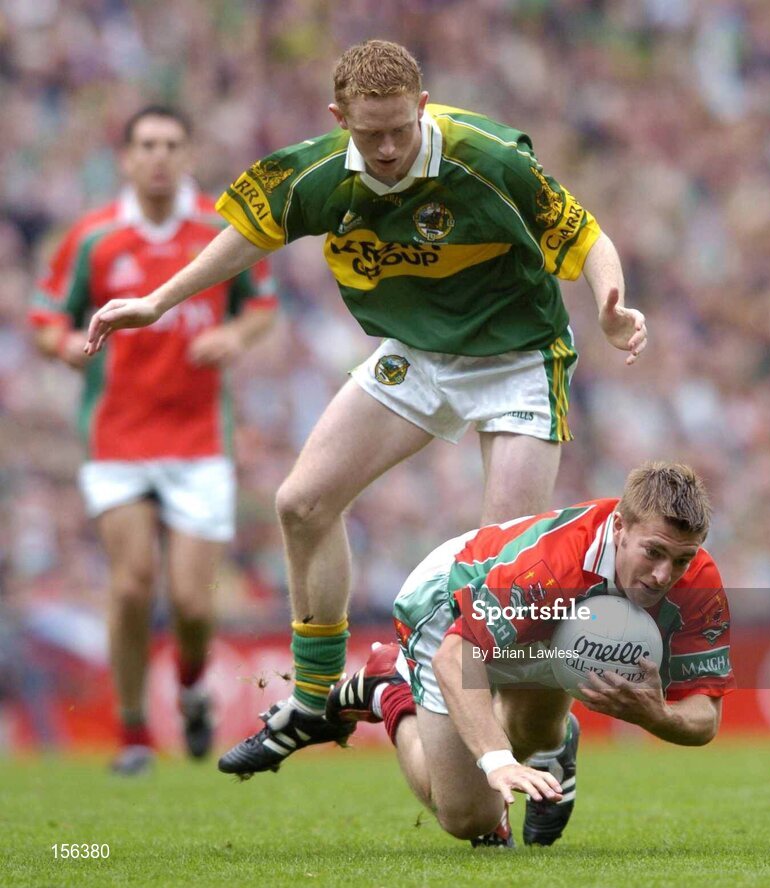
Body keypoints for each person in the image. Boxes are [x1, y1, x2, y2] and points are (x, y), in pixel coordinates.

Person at [83, 40, 648, 777]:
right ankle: (316, 700)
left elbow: (587, 236)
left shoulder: (486, 158)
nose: (385, 148)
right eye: (368, 132)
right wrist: (158, 301)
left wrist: (609, 305)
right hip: (416, 353)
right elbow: (246, 238)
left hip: (518, 358)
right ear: (339, 116)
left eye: (399, 129)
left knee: (504, 577)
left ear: (422, 107)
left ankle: (546, 743)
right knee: (302, 503)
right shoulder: (317, 172)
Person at [30, 105, 278, 775]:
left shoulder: (218, 232)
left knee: (194, 602)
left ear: (188, 154)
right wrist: (62, 346)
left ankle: (193, 688)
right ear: (127, 158)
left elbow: (260, 305)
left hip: (199, 440)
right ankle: (134, 733)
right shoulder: (94, 238)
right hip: (118, 438)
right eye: (147, 144)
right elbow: (47, 316)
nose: (159, 156)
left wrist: (234, 335)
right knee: (132, 586)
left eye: (171, 144)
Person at [327, 461, 734, 847]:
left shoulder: (698, 581)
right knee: (471, 816)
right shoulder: (555, 565)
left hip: (551, 619)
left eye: (682, 559)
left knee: (535, 730)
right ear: (619, 528)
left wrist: (656, 715)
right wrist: (498, 760)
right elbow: (455, 656)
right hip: (446, 606)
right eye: (654, 552)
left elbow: (705, 720)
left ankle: (552, 740)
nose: (664, 575)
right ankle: (389, 688)